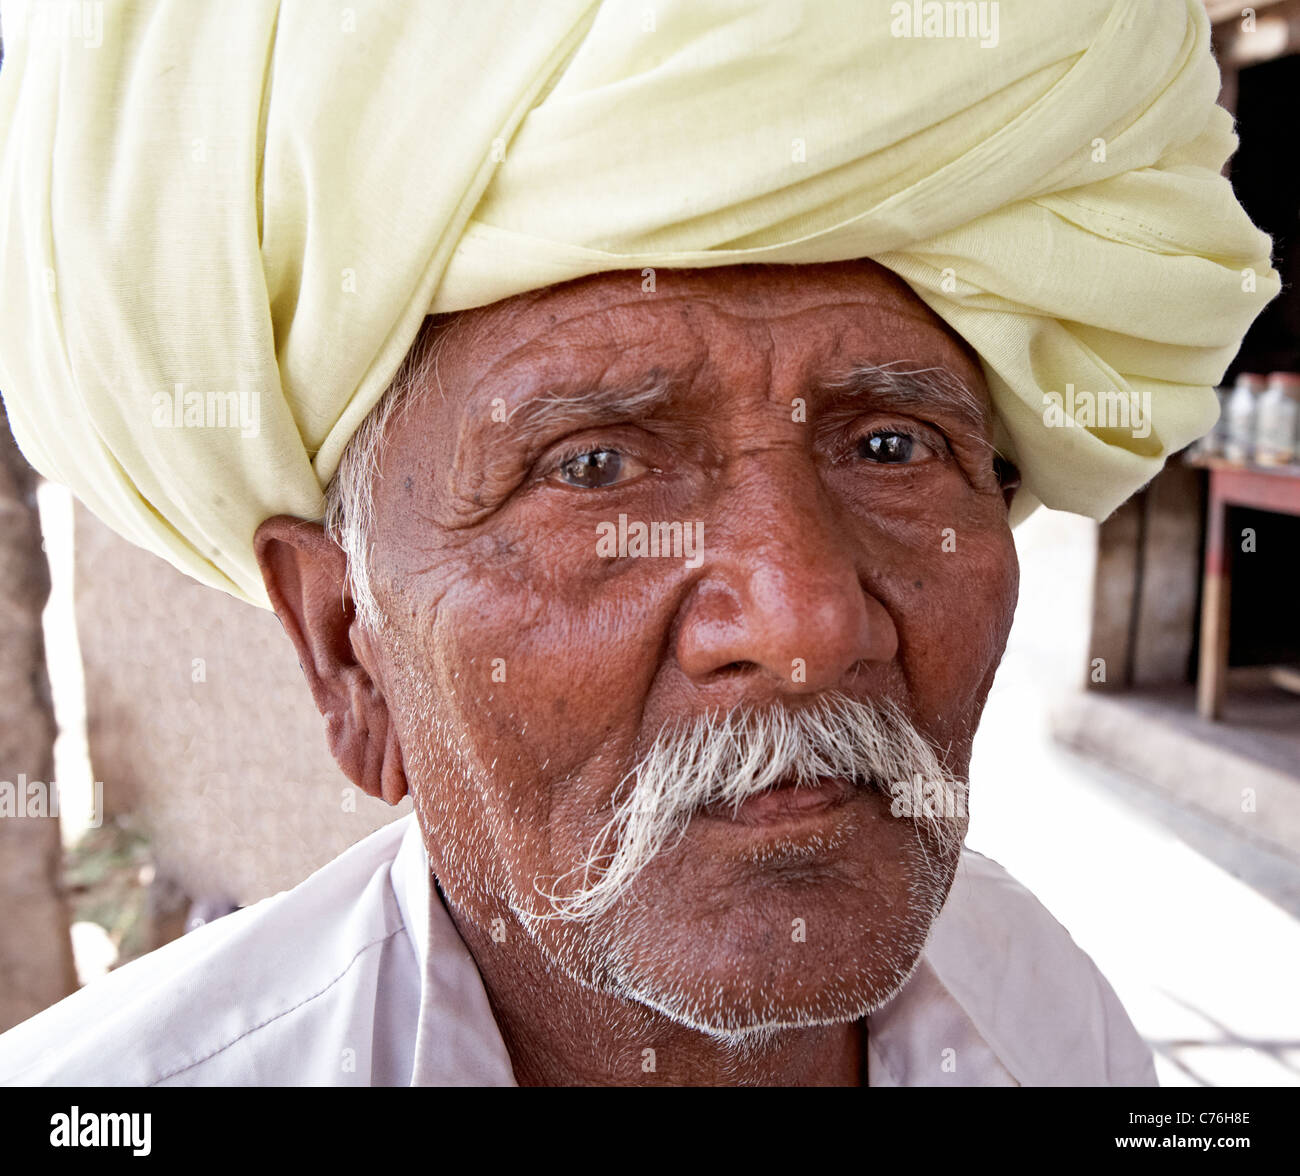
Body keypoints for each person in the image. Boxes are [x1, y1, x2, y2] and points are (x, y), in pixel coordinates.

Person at [0, 0, 1277, 1085]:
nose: (801, 622)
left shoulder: (1057, 1028)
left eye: (891, 446)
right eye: (592, 468)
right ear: (348, 649)